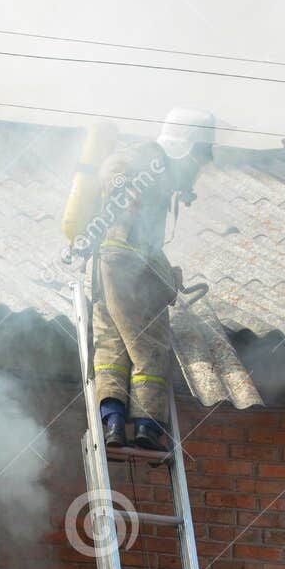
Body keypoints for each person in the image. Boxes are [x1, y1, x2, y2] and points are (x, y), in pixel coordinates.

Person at [90, 107, 216, 452]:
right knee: (151, 342)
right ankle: (147, 425)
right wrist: (121, 187)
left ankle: (113, 422)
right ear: (185, 147)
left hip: (107, 267)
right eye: (198, 157)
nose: (197, 169)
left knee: (113, 345)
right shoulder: (147, 156)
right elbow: (113, 168)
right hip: (128, 261)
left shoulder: (163, 172)